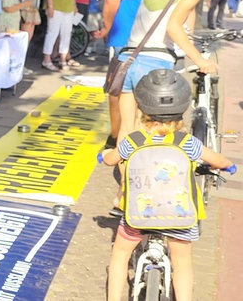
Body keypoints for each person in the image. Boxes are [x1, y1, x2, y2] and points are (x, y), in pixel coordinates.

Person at [99, 68, 234, 301]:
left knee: (120, 254)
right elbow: (218, 160)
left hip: (137, 217)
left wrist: (105, 155)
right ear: (182, 109)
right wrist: (228, 166)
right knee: (183, 262)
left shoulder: (134, 141)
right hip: (179, 218)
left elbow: (111, 159)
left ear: (141, 108)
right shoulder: (186, 142)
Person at [110, 0, 215, 215]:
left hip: (128, 59)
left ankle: (122, 194)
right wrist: (200, 60)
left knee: (126, 130)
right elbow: (174, 28)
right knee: (154, 131)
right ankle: (147, 193)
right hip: (155, 65)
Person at [93, 0, 175, 146]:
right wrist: (109, 28)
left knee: (125, 92)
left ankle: (122, 138)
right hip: (127, 40)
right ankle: (116, 137)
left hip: (138, 40)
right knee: (119, 91)